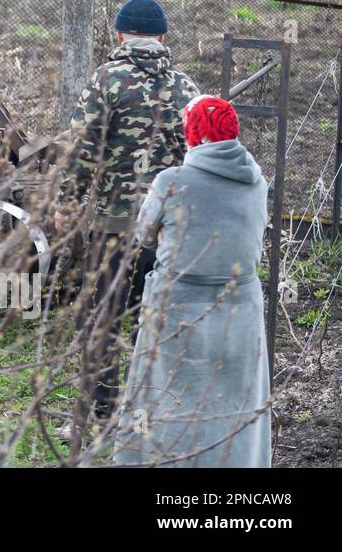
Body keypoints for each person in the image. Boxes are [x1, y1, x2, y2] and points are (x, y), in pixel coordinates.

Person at [58, 0, 200, 421]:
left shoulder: (106, 80)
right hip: (169, 230)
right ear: (163, 36)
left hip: (113, 227)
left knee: (104, 318)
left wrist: (67, 203)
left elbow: (81, 152)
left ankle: (101, 413)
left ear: (120, 34)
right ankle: (151, 407)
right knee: (154, 318)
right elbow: (200, 158)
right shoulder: (186, 88)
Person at [113, 95, 271, 467]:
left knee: (166, 396)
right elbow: (251, 245)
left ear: (193, 134)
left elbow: (143, 236)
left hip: (178, 306)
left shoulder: (171, 180)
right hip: (241, 306)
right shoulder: (256, 180)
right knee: (236, 400)